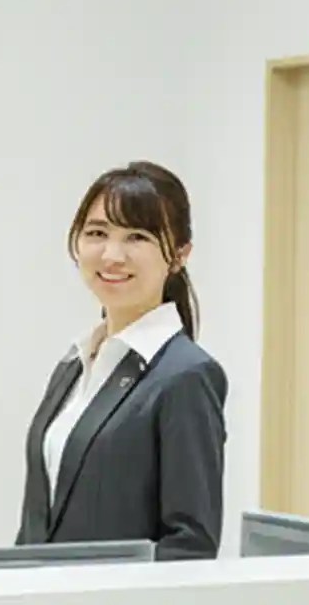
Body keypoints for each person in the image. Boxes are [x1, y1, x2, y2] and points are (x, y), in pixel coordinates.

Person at [16, 161, 228, 560]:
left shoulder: (186, 376)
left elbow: (190, 547)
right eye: (97, 233)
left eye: (138, 237)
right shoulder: (74, 365)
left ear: (180, 255)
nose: (112, 255)